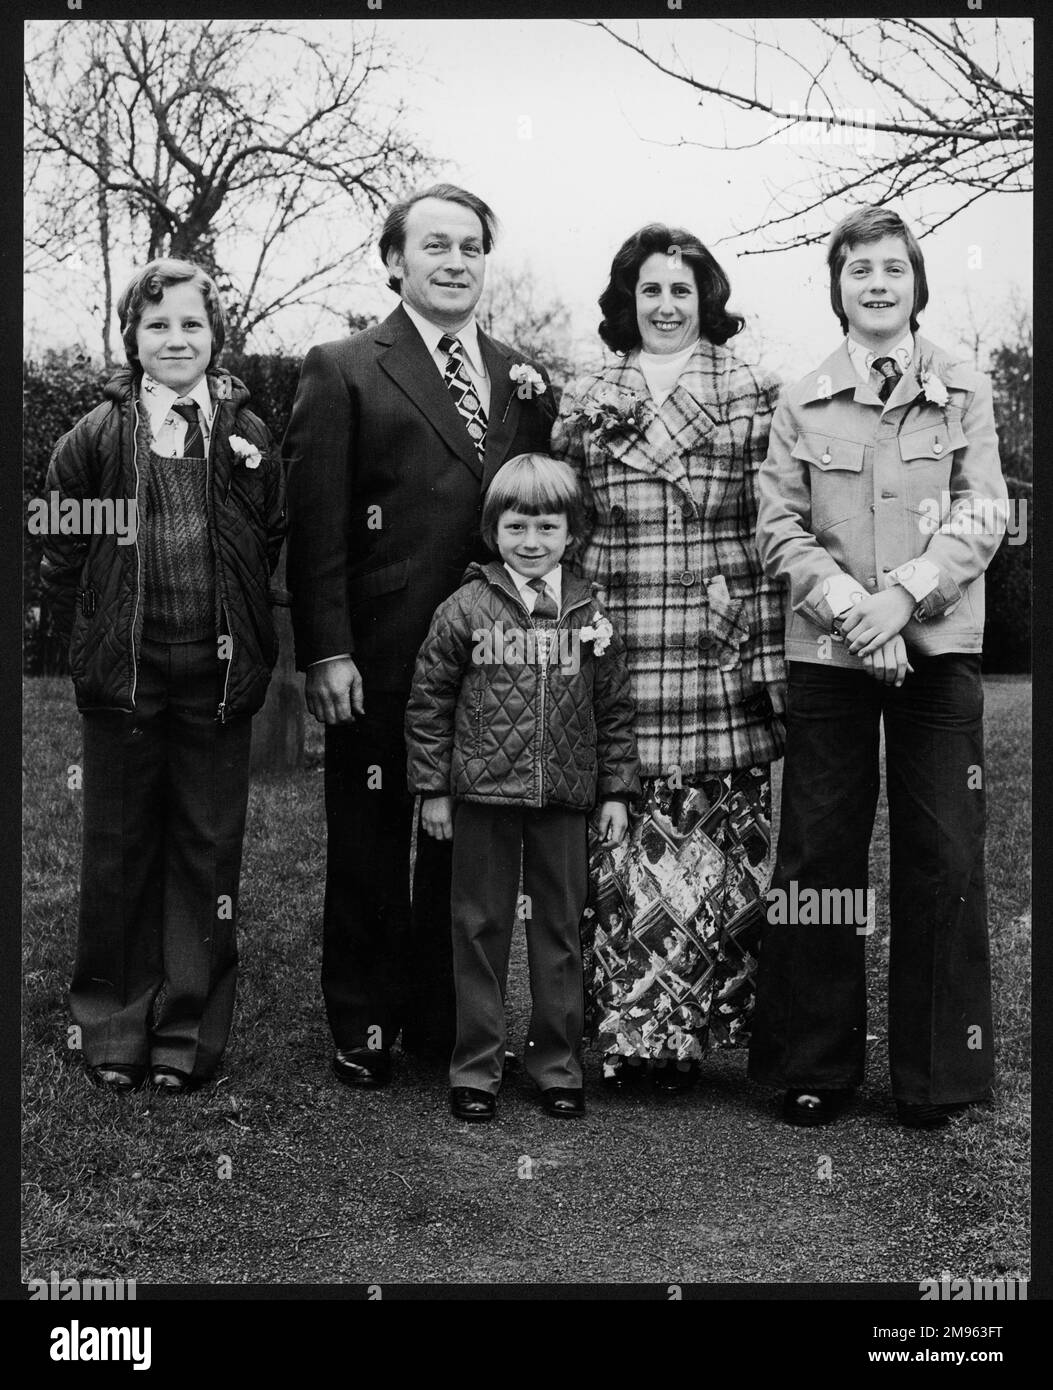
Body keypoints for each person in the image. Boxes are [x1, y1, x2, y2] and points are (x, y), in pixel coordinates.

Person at [283, 185, 556, 1089]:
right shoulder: (344, 367)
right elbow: (315, 526)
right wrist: (326, 651)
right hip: (379, 651)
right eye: (434, 245)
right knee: (368, 836)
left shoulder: (525, 377)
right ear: (394, 260)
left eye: (472, 246)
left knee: (462, 849)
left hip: (493, 661)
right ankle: (362, 1020)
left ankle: (448, 1023)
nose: (455, 261)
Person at [747, 205, 1008, 1129]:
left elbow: (983, 514)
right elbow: (777, 527)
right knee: (820, 854)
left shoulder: (963, 385)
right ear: (837, 289)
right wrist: (858, 614)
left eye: (891, 269)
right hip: (830, 653)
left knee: (942, 854)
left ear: (915, 281)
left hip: (937, 652)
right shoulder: (801, 396)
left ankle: (936, 1075)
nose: (876, 284)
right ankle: (812, 1064)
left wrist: (904, 599)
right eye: (858, 270)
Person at [40, 258, 285, 1093]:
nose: (174, 339)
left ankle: (186, 1034)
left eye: (191, 325)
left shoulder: (247, 437)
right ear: (131, 338)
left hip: (214, 676)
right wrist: (87, 655)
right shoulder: (97, 439)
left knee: (206, 852)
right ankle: (113, 1030)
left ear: (216, 338)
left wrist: (253, 641)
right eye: (157, 326)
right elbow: (61, 558)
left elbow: (272, 542)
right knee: (116, 850)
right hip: (127, 676)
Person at [551, 224, 785, 1092]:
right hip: (618, 635)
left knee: (714, 846)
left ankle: (700, 1028)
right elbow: (562, 520)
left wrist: (763, 635)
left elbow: (777, 517)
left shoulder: (755, 390)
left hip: (716, 639)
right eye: (649, 290)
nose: (665, 306)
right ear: (626, 300)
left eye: (681, 290)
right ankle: (630, 1034)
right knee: (622, 841)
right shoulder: (586, 393)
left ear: (706, 301)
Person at [404, 453, 640, 1121]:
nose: (530, 543)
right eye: (515, 528)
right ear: (492, 530)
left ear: (571, 532)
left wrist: (616, 791)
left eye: (544, 528)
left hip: (563, 801)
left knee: (559, 932)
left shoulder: (591, 612)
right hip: (482, 798)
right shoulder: (466, 608)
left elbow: (614, 707)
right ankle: (475, 1067)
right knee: (478, 929)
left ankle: (557, 1065)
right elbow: (429, 702)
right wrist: (434, 789)